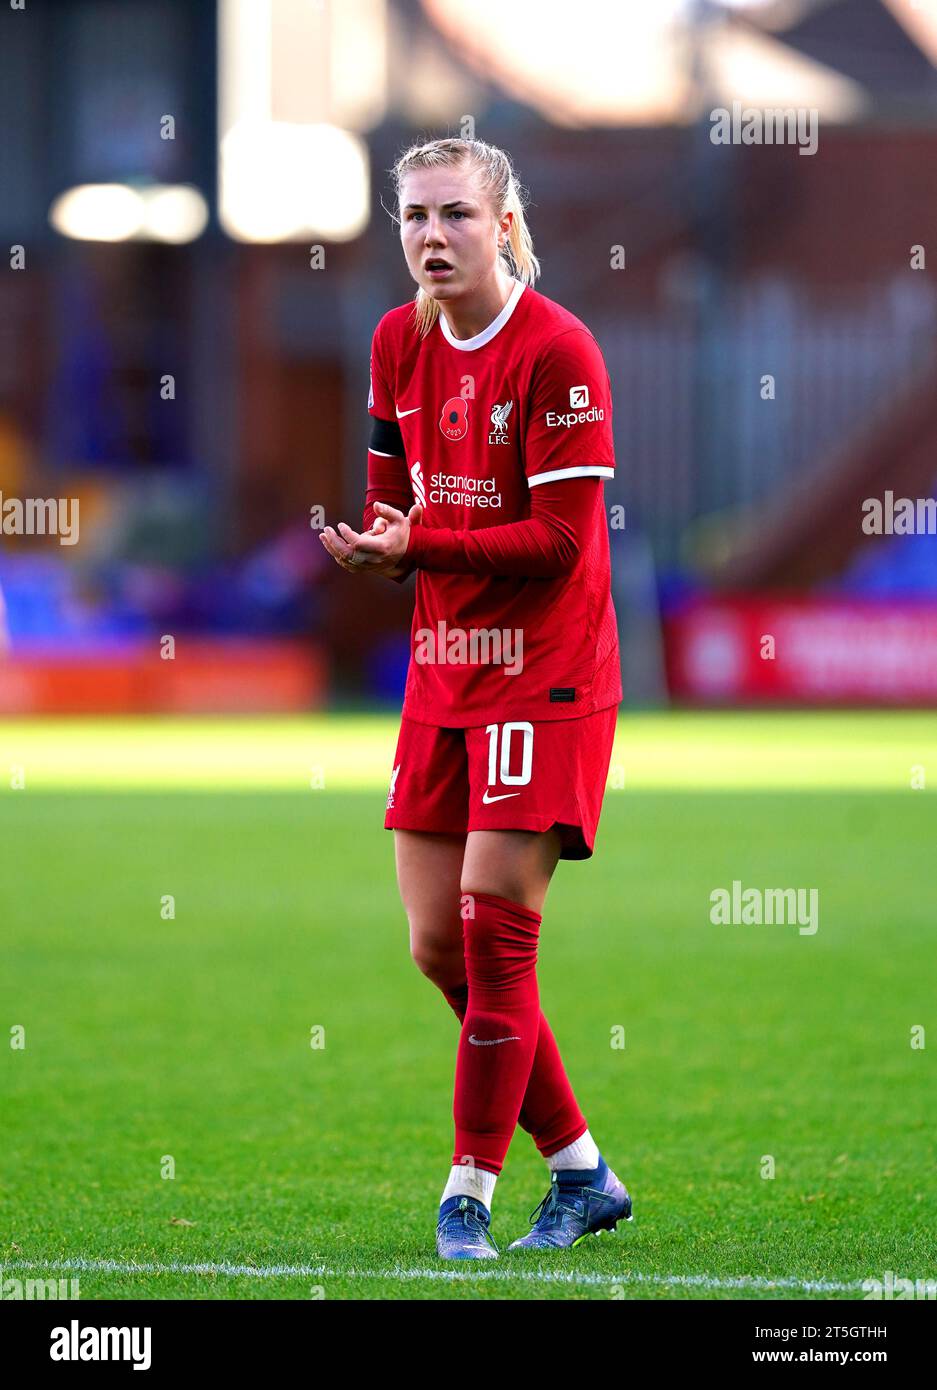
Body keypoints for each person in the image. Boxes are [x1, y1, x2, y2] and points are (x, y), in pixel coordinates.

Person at [320, 136, 631, 1259]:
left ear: (503, 225)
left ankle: (468, 1192)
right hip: (443, 668)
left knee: (494, 927)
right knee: (433, 946)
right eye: (412, 216)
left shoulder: (559, 349)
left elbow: (557, 541)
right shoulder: (395, 340)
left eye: (454, 213)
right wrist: (377, 546)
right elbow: (391, 492)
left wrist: (423, 543)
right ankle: (583, 1171)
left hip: (544, 669)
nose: (430, 236)